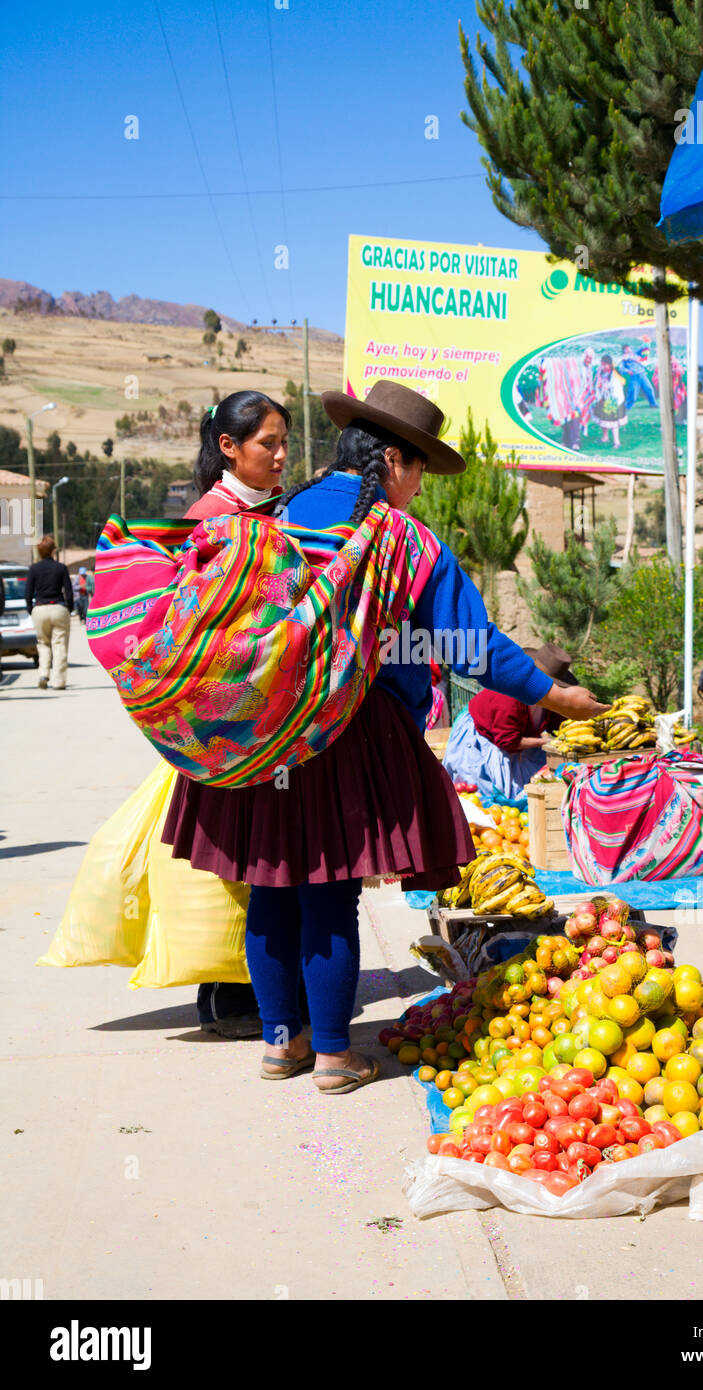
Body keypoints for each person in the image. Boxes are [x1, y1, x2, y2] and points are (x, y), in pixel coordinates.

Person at [161, 380, 608, 1093]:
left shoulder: (275, 514)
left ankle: (285, 1045)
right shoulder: (405, 540)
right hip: (349, 733)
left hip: (262, 731)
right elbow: (471, 645)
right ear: (394, 461)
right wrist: (553, 693)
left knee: (272, 888)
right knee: (331, 893)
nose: (422, 487)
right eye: (422, 470)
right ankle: (335, 1056)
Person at [186, 390, 291, 1039]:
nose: (282, 456)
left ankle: (258, 992)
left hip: (266, 719)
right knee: (249, 865)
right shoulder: (212, 519)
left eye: (285, 444)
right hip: (230, 723)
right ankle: (231, 995)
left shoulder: (264, 512)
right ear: (229, 447)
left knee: (261, 863)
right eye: (268, 445)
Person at [444, 643, 577, 800]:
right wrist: (544, 741)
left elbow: (559, 726)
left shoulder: (550, 702)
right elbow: (507, 741)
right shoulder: (510, 696)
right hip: (484, 734)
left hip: (515, 737)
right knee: (486, 795)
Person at [25, 535, 73, 690]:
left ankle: (43, 674)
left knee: (43, 644)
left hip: (39, 609)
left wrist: (31, 609)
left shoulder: (33, 569)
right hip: (58, 608)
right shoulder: (61, 568)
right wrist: (69, 608)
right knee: (59, 645)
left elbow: (28, 593)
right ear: (53, 551)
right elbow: (69, 592)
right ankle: (58, 681)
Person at [592, 354, 627, 447]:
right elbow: (597, 383)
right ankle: (605, 437)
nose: (604, 366)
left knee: (613, 421)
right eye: (602, 364)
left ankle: (617, 441)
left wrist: (608, 387)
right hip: (602, 399)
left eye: (606, 364)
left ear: (610, 364)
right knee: (603, 419)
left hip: (613, 400)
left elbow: (617, 386)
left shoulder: (615, 374)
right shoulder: (600, 373)